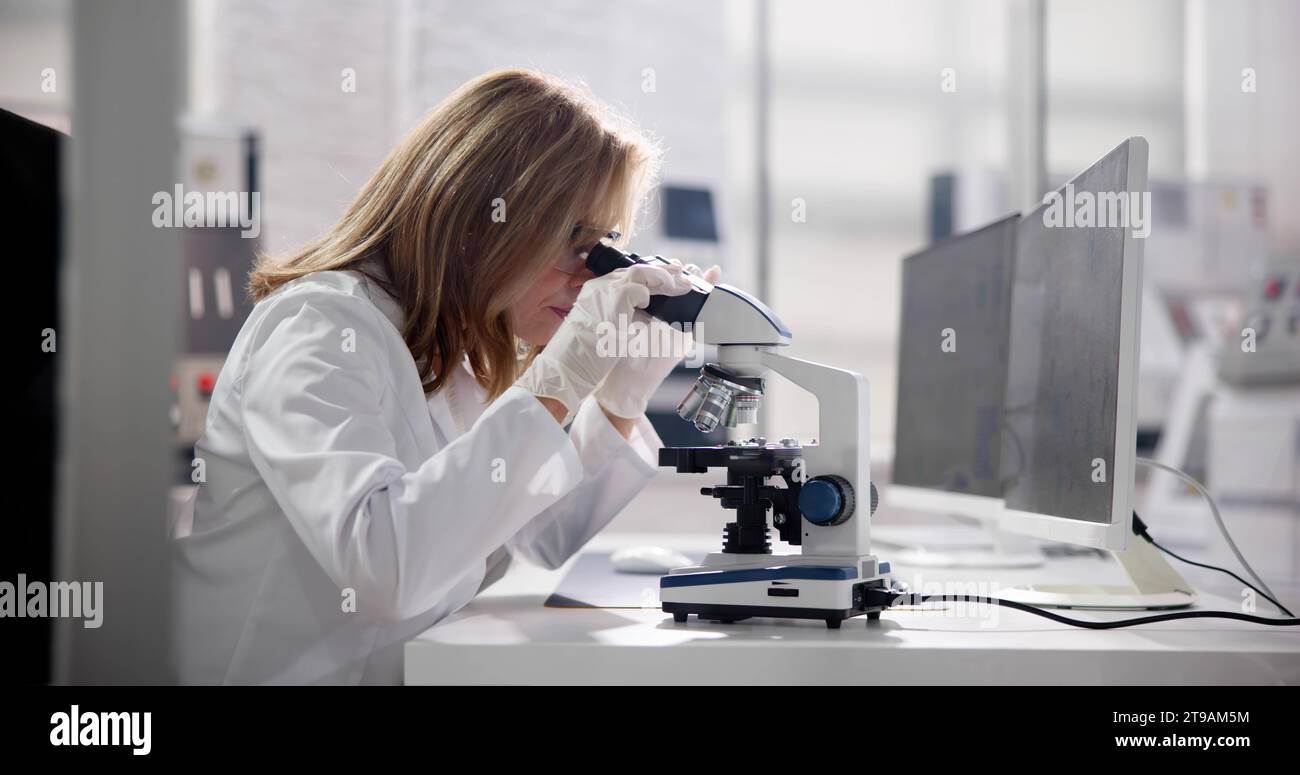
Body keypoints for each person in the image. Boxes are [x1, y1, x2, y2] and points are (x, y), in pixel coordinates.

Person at [172, 68, 720, 684]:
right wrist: (562, 376)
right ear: (478, 215)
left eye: (607, 247)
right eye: (576, 241)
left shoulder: (458, 351)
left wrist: (624, 392)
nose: (589, 275)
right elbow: (386, 569)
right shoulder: (321, 326)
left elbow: (531, 535)